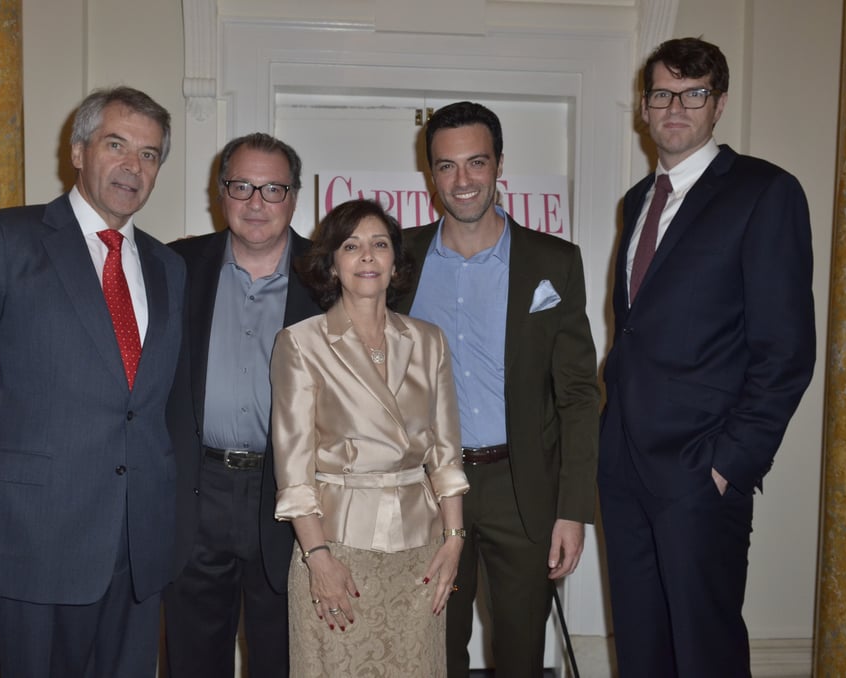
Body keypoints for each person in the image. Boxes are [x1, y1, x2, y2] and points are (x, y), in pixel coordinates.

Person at [0, 86, 184, 677]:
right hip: (29, 532)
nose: (132, 166)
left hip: (136, 545)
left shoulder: (169, 269)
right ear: (77, 149)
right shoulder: (3, 240)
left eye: (149, 155)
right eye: (116, 145)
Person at [599, 37, 816, 677]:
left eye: (693, 94)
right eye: (663, 93)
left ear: (717, 105)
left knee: (705, 653)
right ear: (644, 106)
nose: (675, 107)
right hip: (623, 468)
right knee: (641, 648)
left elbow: (786, 351)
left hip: (700, 471)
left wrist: (730, 465)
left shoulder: (764, 192)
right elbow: (635, 333)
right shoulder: (637, 202)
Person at [395, 101, 601, 677]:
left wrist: (573, 510)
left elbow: (580, 394)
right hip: (427, 492)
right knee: (432, 650)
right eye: (446, 166)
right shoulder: (396, 259)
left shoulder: (553, 262)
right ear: (430, 172)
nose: (462, 181)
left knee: (519, 657)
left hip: (523, 489)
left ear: (500, 164)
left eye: (476, 162)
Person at [270, 198, 469, 676]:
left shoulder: (429, 340)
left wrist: (455, 538)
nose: (367, 256)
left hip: (421, 555)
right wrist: (318, 559)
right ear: (332, 264)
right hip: (338, 549)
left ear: (395, 262)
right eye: (351, 245)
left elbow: (446, 454)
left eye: (379, 244)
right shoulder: (300, 343)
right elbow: (294, 472)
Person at [162, 132, 321, 678]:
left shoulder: (328, 280)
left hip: (289, 497)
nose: (257, 202)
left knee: (282, 657)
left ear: (295, 197)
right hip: (196, 493)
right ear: (220, 192)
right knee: (192, 658)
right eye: (242, 186)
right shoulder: (175, 267)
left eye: (273, 188)